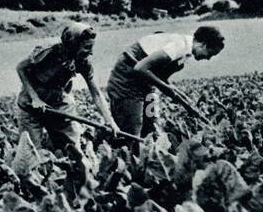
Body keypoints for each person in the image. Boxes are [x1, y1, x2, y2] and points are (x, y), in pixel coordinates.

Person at [15, 21, 117, 154]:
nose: (91, 52)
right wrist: (35, 98)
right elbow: (20, 68)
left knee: (74, 148)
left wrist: (110, 122)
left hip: (58, 104)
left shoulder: (83, 62)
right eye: (87, 47)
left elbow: (96, 94)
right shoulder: (47, 52)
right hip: (30, 106)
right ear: (73, 45)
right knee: (31, 152)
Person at [105, 25, 225, 137]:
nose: (208, 58)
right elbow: (140, 68)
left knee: (153, 125)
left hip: (144, 82)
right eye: (210, 54)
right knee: (133, 128)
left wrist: (179, 96)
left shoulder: (186, 54)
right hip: (127, 78)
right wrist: (166, 88)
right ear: (203, 44)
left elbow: (158, 74)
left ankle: (148, 155)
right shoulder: (178, 46)